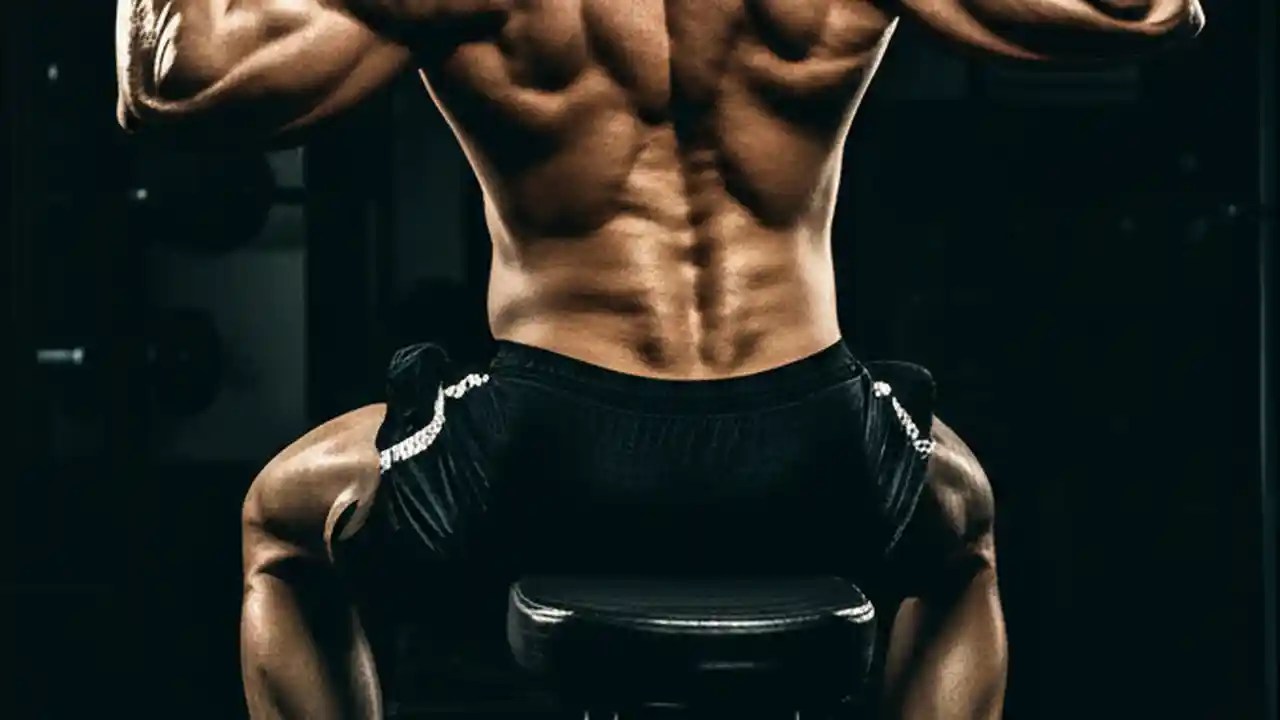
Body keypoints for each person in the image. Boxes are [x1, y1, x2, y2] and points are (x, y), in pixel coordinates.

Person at [116, 2, 1204, 718]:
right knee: (959, 524)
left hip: (551, 449)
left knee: (280, 524)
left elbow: (168, 88)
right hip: (806, 438)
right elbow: (1147, 9)